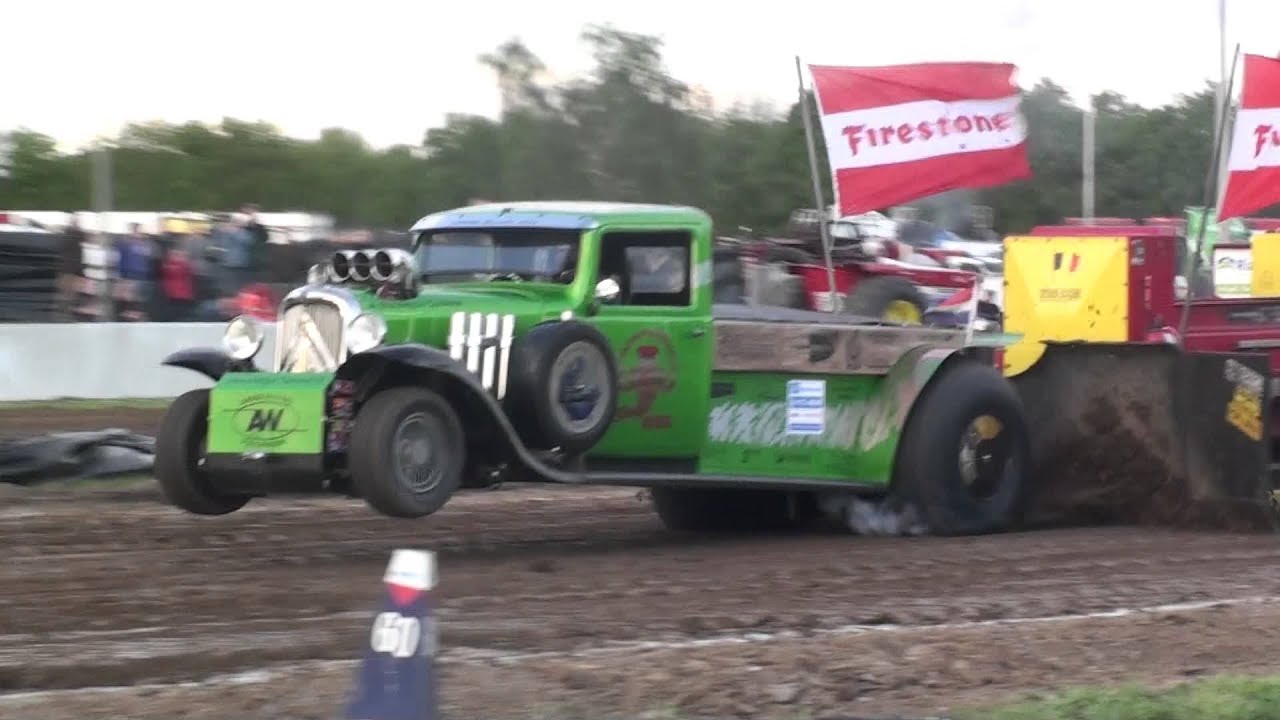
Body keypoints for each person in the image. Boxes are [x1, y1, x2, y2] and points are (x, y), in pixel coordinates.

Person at [57, 215, 86, 321]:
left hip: (72, 269)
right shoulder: (70, 235)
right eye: (75, 222)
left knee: (71, 292)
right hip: (68, 268)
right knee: (67, 292)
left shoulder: (75, 235)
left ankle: (68, 312)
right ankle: (65, 313)